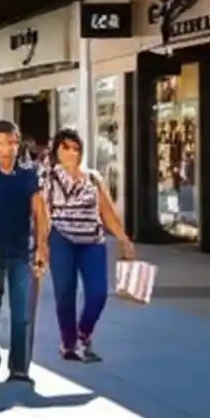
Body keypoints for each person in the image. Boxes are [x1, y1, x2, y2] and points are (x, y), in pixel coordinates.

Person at [43, 128, 135, 363]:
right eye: (66, 147)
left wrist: (123, 238)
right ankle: (68, 342)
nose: (72, 152)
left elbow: (107, 212)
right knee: (65, 293)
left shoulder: (93, 178)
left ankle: (84, 331)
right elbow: (42, 214)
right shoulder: (47, 178)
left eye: (76, 148)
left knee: (98, 293)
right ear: (57, 151)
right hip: (61, 238)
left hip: (92, 241)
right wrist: (41, 246)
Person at [0, 121, 48, 388]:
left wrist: (41, 248)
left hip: (21, 255)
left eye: (11, 143)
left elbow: (40, 213)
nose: (5, 149)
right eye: (0, 143)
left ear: (19, 144)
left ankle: (19, 368)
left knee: (23, 314)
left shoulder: (30, 174)